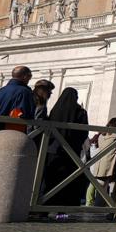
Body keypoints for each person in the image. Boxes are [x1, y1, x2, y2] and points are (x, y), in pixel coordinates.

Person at [43, 87, 90, 216]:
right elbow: (83, 133)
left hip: (53, 151)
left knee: (50, 180)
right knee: (68, 182)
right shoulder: (81, 112)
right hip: (71, 152)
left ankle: (43, 209)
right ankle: (63, 211)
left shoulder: (55, 110)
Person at [0, 66, 36, 131]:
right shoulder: (24, 92)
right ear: (24, 76)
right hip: (13, 133)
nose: (29, 79)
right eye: (30, 76)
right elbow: (25, 114)